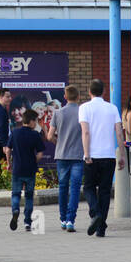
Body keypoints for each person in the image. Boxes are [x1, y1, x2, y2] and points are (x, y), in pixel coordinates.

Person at [80, 78, 123, 238]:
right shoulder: (112, 108)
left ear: (89, 92)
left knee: (89, 188)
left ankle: (95, 213)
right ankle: (101, 228)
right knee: (104, 191)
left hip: (92, 155)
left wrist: (87, 154)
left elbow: (85, 132)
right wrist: (122, 155)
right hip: (109, 155)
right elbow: (119, 133)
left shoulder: (84, 108)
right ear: (104, 91)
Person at [46, 84, 83, 232]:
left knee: (62, 187)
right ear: (78, 96)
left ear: (65, 97)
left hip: (61, 154)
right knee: (74, 188)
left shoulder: (57, 113)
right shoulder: (82, 112)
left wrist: (58, 142)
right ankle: (70, 220)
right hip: (78, 155)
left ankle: (62, 218)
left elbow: (49, 136)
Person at [4, 108, 46, 232]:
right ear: (32, 121)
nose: (36, 124)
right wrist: (34, 161)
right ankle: (27, 222)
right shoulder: (35, 135)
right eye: (36, 121)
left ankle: (15, 209)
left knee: (16, 193)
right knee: (28, 196)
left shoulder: (15, 133)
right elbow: (40, 154)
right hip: (30, 170)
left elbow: (8, 149)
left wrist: (8, 163)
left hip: (17, 168)